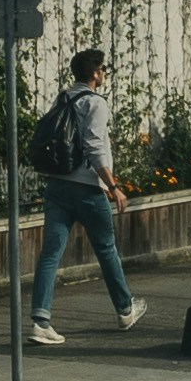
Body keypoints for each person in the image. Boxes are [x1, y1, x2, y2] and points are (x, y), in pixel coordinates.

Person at [25, 49, 140, 342]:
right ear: (95, 73)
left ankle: (40, 321)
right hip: (88, 189)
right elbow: (93, 146)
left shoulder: (63, 98)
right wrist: (112, 187)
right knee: (105, 249)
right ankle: (125, 309)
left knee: (50, 253)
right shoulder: (95, 103)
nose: (104, 73)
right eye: (103, 69)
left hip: (57, 186)